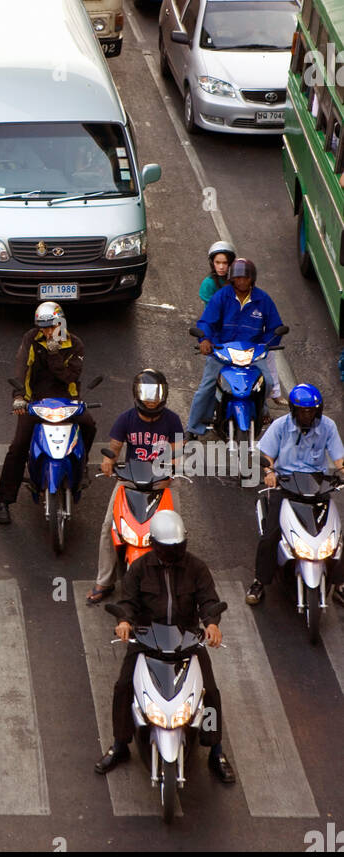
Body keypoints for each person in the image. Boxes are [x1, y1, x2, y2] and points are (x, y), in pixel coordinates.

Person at [94, 511, 235, 784]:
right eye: (168, 548)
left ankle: (216, 750)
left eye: (177, 547)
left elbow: (208, 600)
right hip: (147, 640)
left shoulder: (197, 568)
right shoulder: (139, 569)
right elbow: (128, 602)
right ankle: (120, 744)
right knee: (123, 686)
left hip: (188, 639)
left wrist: (212, 624)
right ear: (155, 544)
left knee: (211, 691)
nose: (173, 553)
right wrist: (124, 621)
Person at [87, 370, 182, 604]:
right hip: (130, 478)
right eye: (148, 394)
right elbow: (114, 449)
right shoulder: (126, 419)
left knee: (177, 530)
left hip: (162, 480)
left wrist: (170, 470)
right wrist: (108, 462)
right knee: (109, 526)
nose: (152, 400)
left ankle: (177, 579)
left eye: (156, 395)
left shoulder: (172, 420)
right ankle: (104, 581)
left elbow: (176, 453)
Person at [0, 302, 94, 524]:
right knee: (19, 446)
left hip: (66, 402)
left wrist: (54, 353)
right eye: (44, 328)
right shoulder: (31, 338)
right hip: (36, 402)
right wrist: (18, 397)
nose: (47, 332)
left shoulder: (75, 344)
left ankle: (82, 465)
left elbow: (69, 377)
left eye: (52, 327)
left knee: (89, 425)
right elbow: (22, 367)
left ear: (61, 323)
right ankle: (3, 500)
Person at [246, 385, 344, 606]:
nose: (306, 415)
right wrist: (269, 472)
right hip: (286, 485)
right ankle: (259, 581)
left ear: (318, 411)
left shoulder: (328, 426)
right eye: (302, 411)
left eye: (311, 411)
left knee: (336, 536)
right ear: (293, 410)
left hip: (318, 487)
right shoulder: (280, 426)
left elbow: (339, 460)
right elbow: (266, 455)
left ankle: (340, 584)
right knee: (270, 535)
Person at [186, 257, 283, 438]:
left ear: (252, 280)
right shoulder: (222, 296)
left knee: (267, 383)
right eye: (238, 278)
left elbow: (274, 327)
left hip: (252, 354)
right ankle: (192, 428)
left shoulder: (263, 299)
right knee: (206, 387)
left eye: (245, 278)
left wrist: (267, 344)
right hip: (222, 352)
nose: (241, 281)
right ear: (232, 279)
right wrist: (205, 340)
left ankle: (261, 411)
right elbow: (207, 321)